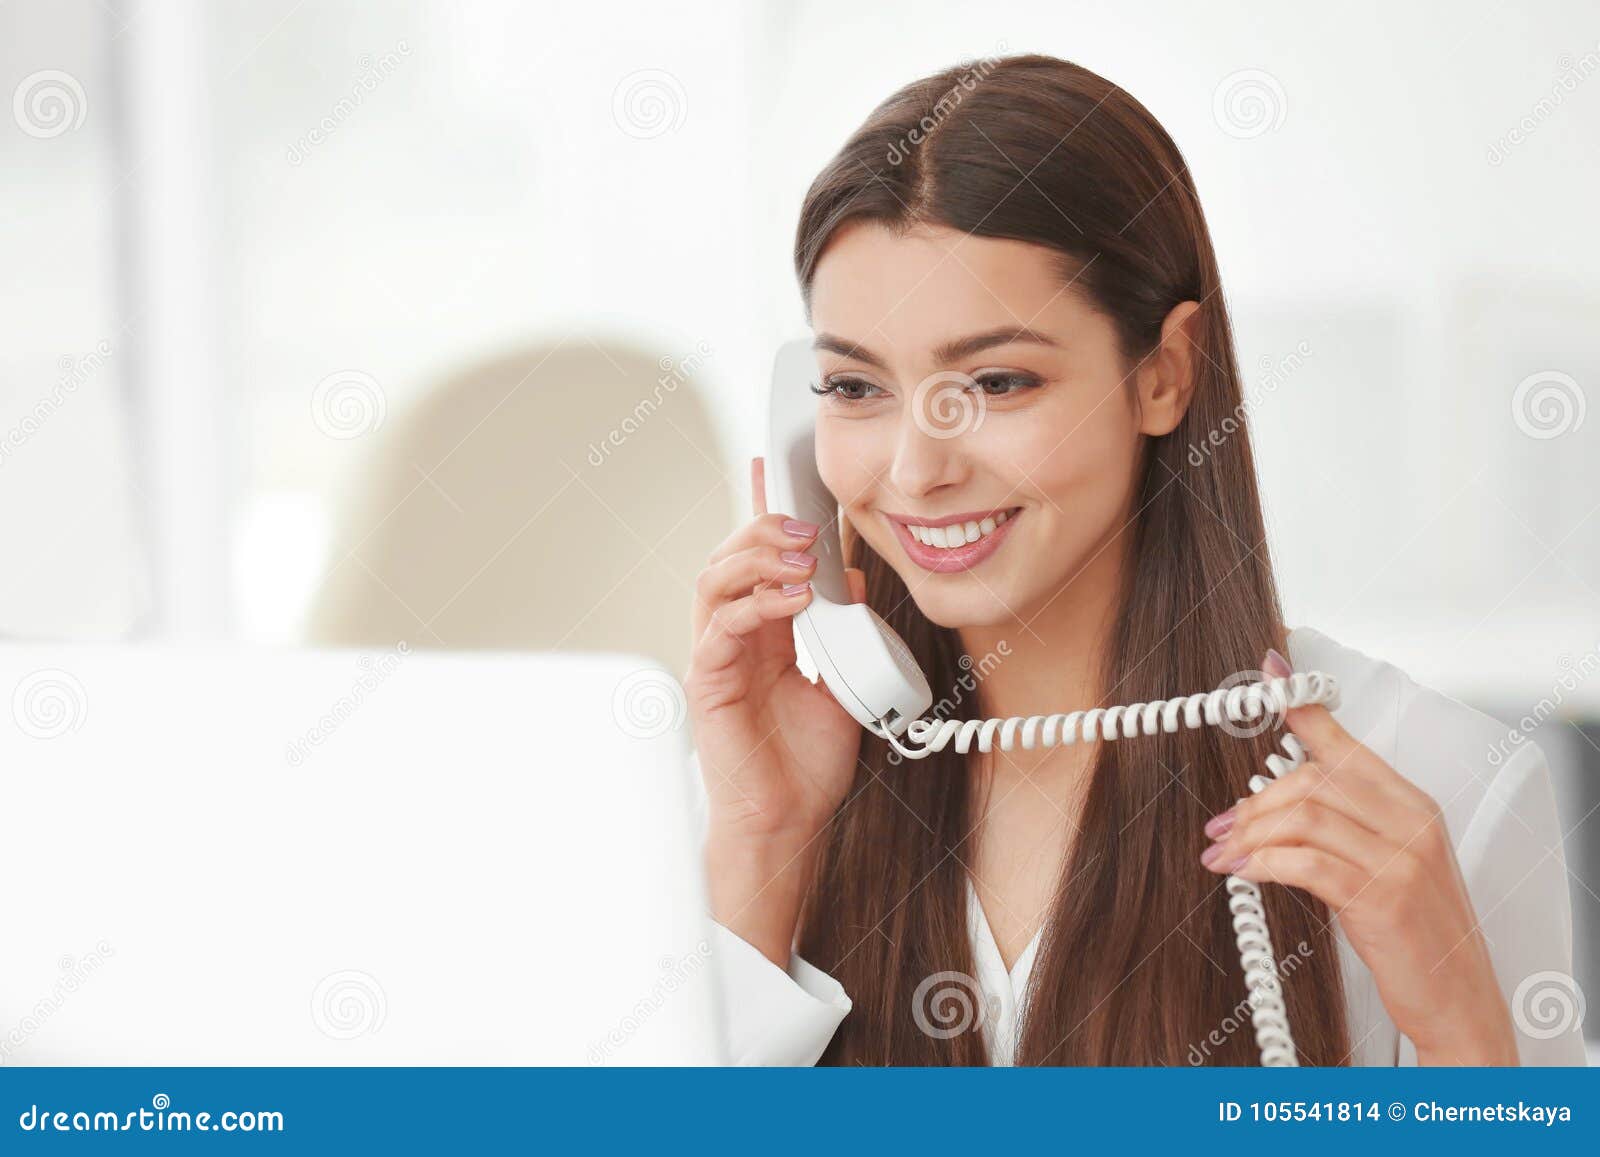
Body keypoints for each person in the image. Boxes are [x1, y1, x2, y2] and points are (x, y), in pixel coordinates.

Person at [684, 53, 1585, 1066]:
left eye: (994, 378)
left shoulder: (1437, 785)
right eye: (854, 387)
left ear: (1163, 375)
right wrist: (762, 842)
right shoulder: (739, 798)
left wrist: (1463, 1029)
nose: (913, 469)